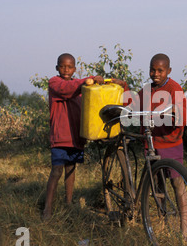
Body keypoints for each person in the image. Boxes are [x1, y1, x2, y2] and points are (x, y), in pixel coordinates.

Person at [42, 53, 126, 221]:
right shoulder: (55, 83)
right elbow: (66, 90)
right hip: (60, 136)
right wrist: (89, 79)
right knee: (56, 171)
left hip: (76, 136)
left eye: (70, 67)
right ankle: (47, 210)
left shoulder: (83, 89)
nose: (66, 70)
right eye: (62, 66)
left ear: (75, 68)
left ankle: (68, 203)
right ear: (56, 68)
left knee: (71, 169)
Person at [137, 53, 187, 238]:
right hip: (151, 142)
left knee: (177, 182)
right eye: (152, 69)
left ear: (168, 71)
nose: (155, 73)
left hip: (170, 142)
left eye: (160, 70)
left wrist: (176, 111)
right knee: (157, 182)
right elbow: (133, 104)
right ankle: (162, 219)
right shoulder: (146, 90)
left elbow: (183, 111)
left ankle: (185, 226)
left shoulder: (174, 88)